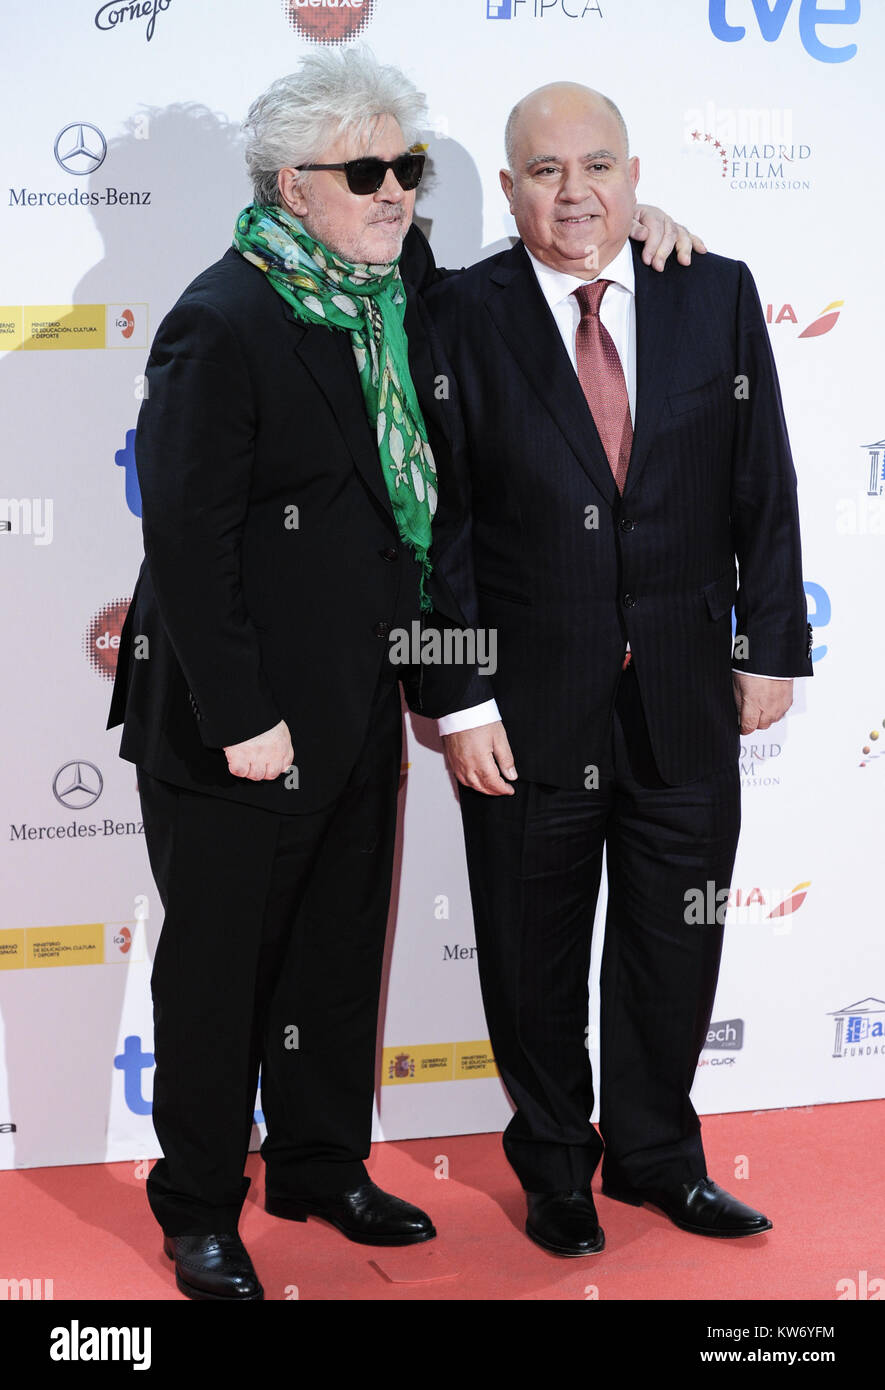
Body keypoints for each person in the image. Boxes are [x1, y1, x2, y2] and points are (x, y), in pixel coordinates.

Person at [107, 49, 698, 1299]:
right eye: (365, 172)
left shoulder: (391, 286)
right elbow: (187, 539)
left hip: (361, 697)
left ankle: (320, 1166)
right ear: (290, 183)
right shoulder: (226, 315)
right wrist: (244, 715)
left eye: (408, 170)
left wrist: (628, 227)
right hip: (238, 718)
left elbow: (538, 276)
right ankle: (199, 1206)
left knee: (332, 954)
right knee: (221, 976)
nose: (395, 193)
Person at [426, 82, 812, 1258]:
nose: (576, 192)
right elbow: (430, 523)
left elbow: (766, 484)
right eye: (545, 171)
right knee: (531, 951)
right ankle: (555, 1169)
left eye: (598, 165)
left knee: (674, 936)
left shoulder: (716, 290)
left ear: (637, 175)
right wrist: (455, 696)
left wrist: (771, 645)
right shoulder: (454, 315)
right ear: (508, 190)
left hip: (687, 691)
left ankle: (656, 1157)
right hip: (526, 707)